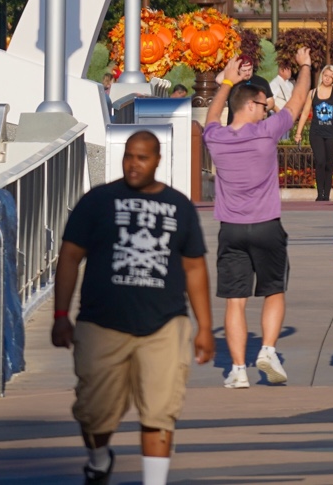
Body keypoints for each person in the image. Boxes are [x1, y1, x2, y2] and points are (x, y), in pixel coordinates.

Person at [53, 130, 214, 485]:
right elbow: (69, 256)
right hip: (101, 324)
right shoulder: (98, 201)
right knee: (94, 414)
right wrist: (61, 316)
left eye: (142, 157)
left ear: (158, 160)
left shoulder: (179, 206)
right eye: (129, 156)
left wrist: (204, 327)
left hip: (164, 326)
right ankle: (98, 459)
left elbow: (194, 267)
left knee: (160, 413)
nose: (133, 164)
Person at [202, 48, 312, 389]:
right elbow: (296, 101)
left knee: (236, 300)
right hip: (266, 226)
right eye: (264, 105)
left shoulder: (216, 140)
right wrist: (306, 65)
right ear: (251, 106)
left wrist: (227, 81)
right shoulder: (266, 133)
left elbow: (211, 117)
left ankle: (238, 370)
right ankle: (266, 349)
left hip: (231, 230)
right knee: (274, 290)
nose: (268, 110)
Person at [295, 65, 333, 202]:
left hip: (332, 133)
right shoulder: (313, 93)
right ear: (321, 75)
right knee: (320, 161)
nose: (327, 78)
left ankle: (326, 195)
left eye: (331, 76)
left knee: (329, 164)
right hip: (316, 132)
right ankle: (320, 194)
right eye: (325, 75)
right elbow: (305, 113)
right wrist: (298, 132)